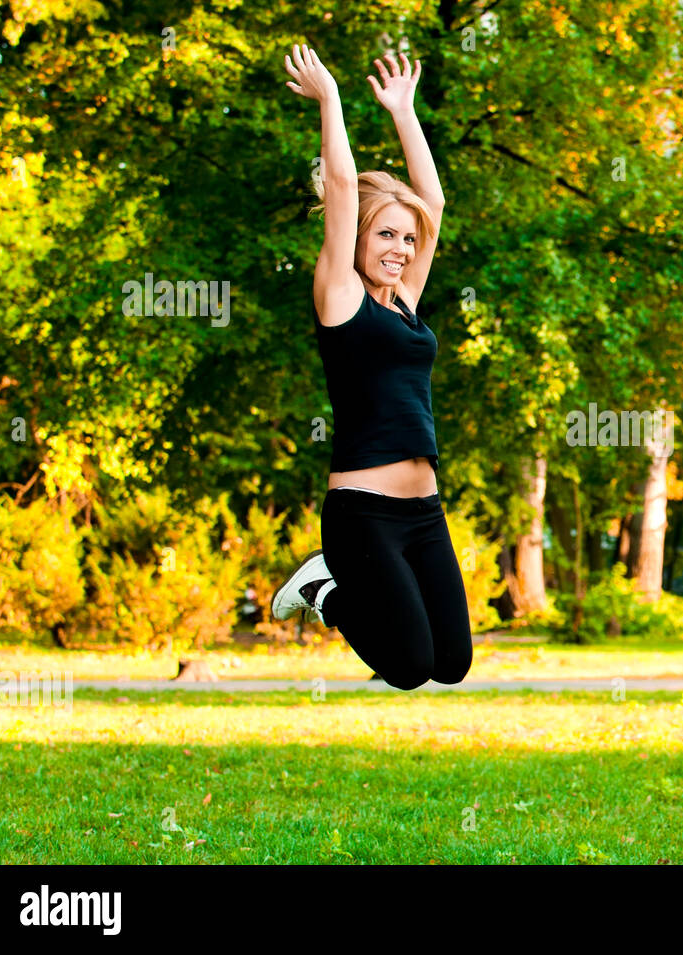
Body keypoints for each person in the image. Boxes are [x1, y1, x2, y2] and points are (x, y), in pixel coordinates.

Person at [270, 44, 472, 690]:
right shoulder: (340, 296)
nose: (402, 248)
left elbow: (432, 204)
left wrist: (404, 112)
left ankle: (334, 590)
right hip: (362, 512)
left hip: (425, 510)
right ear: (357, 239)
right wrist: (331, 101)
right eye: (386, 234)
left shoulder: (405, 302)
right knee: (408, 667)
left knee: (452, 662)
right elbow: (338, 186)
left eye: (406, 240)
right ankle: (322, 587)